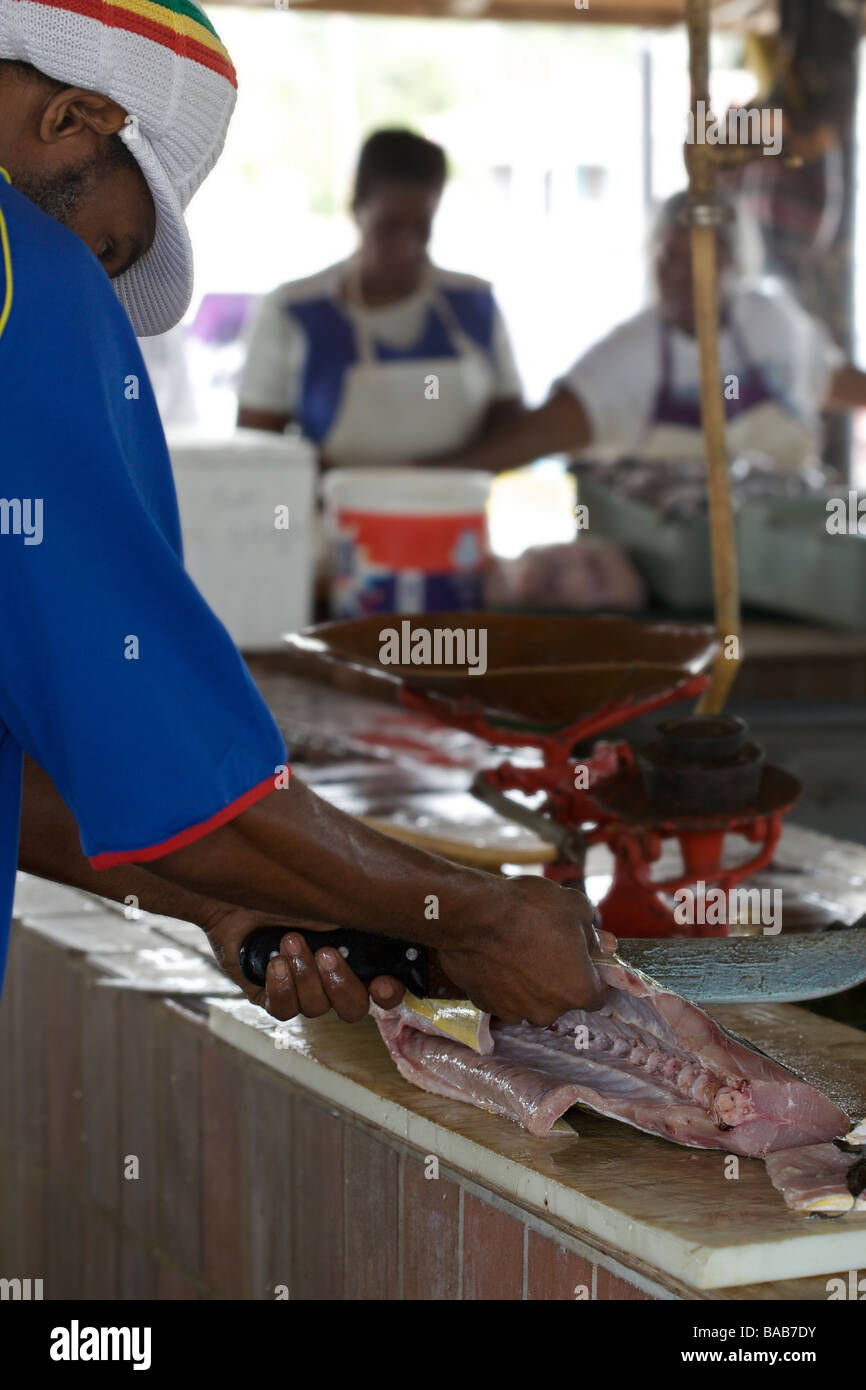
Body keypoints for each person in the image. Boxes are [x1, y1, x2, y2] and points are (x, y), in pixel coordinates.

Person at [0, 1, 607, 1028]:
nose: (93, 288)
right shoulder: (25, 273)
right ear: (75, 117)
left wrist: (221, 895)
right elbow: (161, 750)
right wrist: (481, 917)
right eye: (107, 253)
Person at [443, 190, 866, 474]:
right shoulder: (629, 358)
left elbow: (834, 381)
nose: (679, 275)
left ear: (733, 264)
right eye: (668, 259)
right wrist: (425, 477)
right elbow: (536, 435)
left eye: (698, 259)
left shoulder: (773, 325)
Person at [237, 128, 523, 467]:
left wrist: (435, 478)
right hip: (333, 518)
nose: (408, 246)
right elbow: (256, 450)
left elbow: (514, 432)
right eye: (389, 226)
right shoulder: (293, 310)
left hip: (454, 516)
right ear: (357, 210)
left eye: (422, 227)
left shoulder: (475, 304)